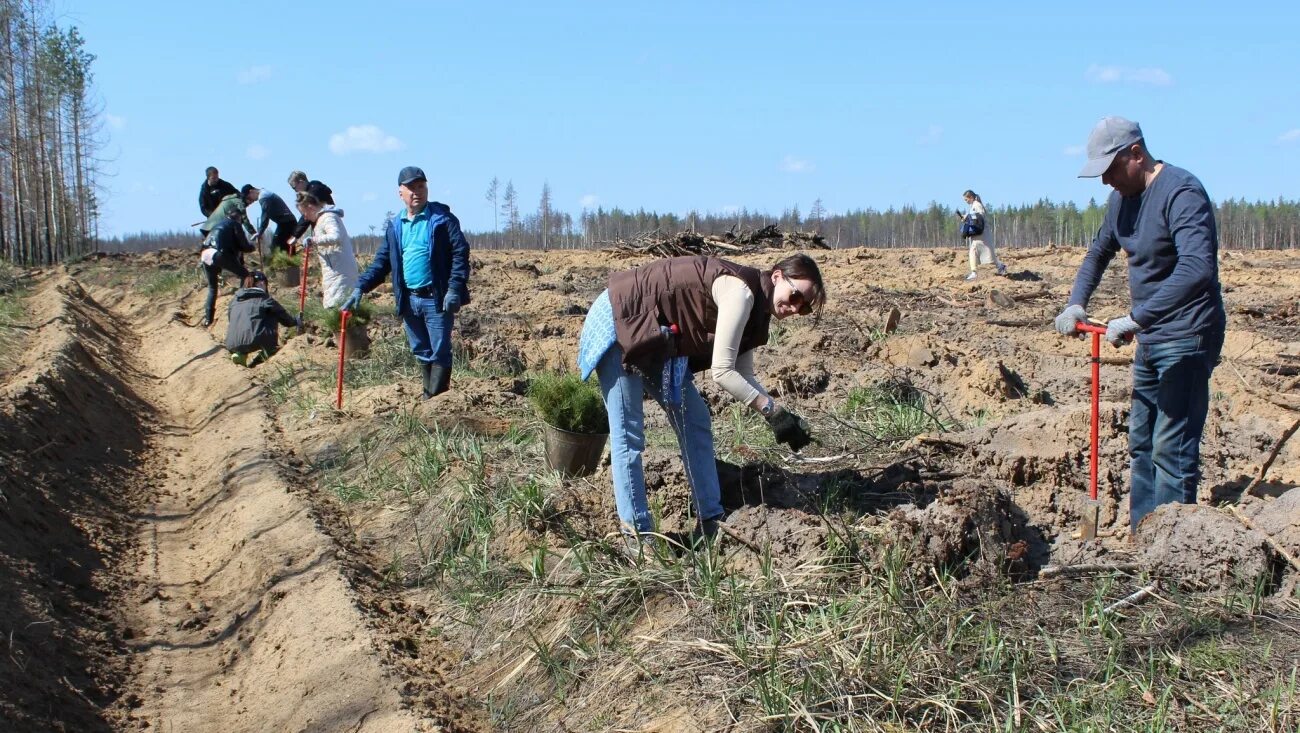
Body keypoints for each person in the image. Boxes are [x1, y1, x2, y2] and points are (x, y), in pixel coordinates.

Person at [576, 253, 826, 551]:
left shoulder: (757, 312)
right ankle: (636, 537)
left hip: (656, 335)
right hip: (622, 317)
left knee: (695, 420)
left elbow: (743, 374)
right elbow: (723, 372)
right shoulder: (741, 293)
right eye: (795, 296)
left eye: (805, 308)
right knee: (628, 433)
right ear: (776, 277)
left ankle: (711, 520)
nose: (795, 308)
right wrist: (771, 411)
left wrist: (780, 413)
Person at [1053, 116, 1225, 531]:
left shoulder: (1181, 192)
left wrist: (1135, 318)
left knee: (1172, 446)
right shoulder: (1121, 201)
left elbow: (1197, 267)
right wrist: (1076, 303)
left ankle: (1172, 546)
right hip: (1150, 335)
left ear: (1136, 154)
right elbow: (1098, 253)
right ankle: (1142, 535)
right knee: (1141, 441)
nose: (1106, 182)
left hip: (1188, 334)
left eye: (1110, 170)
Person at [342, 166, 470, 398]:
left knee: (440, 350)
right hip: (409, 300)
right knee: (421, 349)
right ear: (400, 192)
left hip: (436, 299)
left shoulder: (442, 219)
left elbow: (460, 253)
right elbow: (382, 262)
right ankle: (428, 395)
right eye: (411, 188)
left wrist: (454, 288)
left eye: (421, 186)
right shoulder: (396, 226)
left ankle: (436, 401)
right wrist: (361, 286)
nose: (417, 192)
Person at [296, 191, 359, 309]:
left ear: (310, 207)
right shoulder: (322, 220)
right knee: (334, 304)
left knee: (337, 306)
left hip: (340, 271)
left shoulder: (328, 217)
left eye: (304, 213)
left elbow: (335, 236)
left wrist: (314, 240)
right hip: (333, 269)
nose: (304, 217)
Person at [225, 271, 299, 366]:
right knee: (271, 314)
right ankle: (265, 353)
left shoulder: (234, 301)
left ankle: (240, 354)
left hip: (232, 343)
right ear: (262, 283)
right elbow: (285, 319)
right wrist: (296, 321)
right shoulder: (265, 300)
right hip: (257, 340)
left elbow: (231, 319)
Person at [198, 208, 255, 327]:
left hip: (205, 254)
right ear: (239, 218)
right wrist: (252, 247)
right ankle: (241, 303)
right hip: (219, 254)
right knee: (245, 275)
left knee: (213, 288)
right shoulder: (235, 225)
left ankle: (208, 320)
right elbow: (243, 245)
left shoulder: (218, 225)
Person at [955, 190, 1006, 280]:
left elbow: (978, 218)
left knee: (988, 255)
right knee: (976, 252)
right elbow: (973, 217)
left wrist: (967, 217)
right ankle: (975, 271)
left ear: (970, 197)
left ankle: (999, 266)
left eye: (966, 199)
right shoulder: (973, 206)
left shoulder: (977, 205)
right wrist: (966, 218)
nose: (966, 201)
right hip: (978, 235)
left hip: (981, 234)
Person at [240, 185, 298, 255]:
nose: (251, 200)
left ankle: (285, 264)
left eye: (249, 197)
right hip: (287, 222)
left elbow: (265, 215)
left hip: (286, 223)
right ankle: (291, 263)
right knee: (286, 247)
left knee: (276, 247)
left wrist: (260, 232)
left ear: (251, 191)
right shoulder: (265, 194)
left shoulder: (264, 196)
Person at [288, 170, 335, 245]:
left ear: (301, 182)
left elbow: (306, 217)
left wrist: (295, 236)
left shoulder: (314, 192)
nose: (295, 191)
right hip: (322, 225)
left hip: (326, 226)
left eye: (294, 187)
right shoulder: (314, 188)